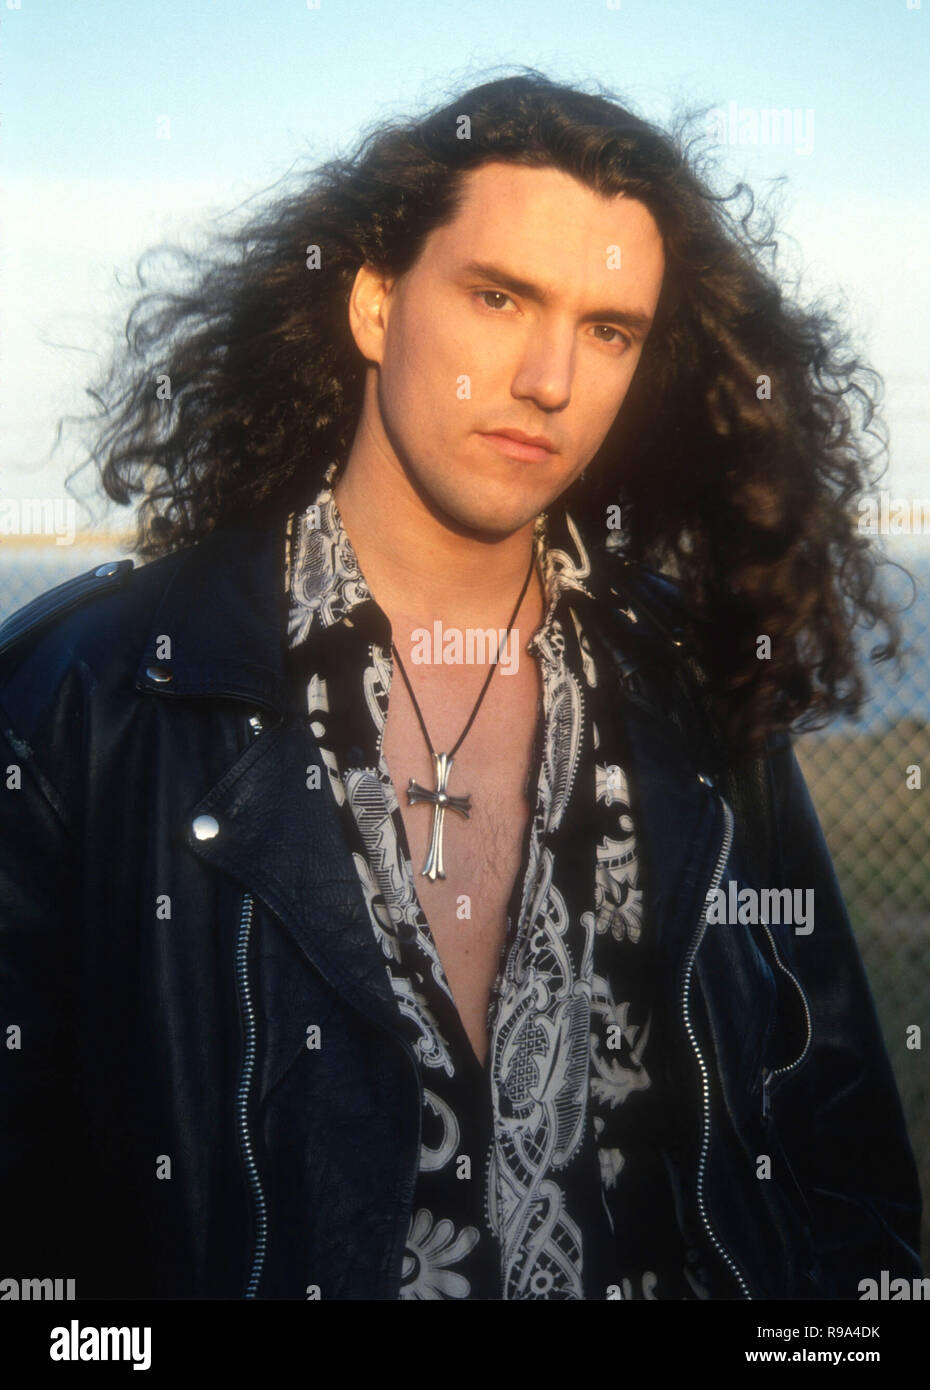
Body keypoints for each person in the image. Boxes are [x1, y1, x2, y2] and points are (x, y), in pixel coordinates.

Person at [0, 71, 921, 1301]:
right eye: (500, 296)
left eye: (609, 330)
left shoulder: (690, 696)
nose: (550, 377)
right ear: (377, 302)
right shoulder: (94, 701)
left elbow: (841, 1166)